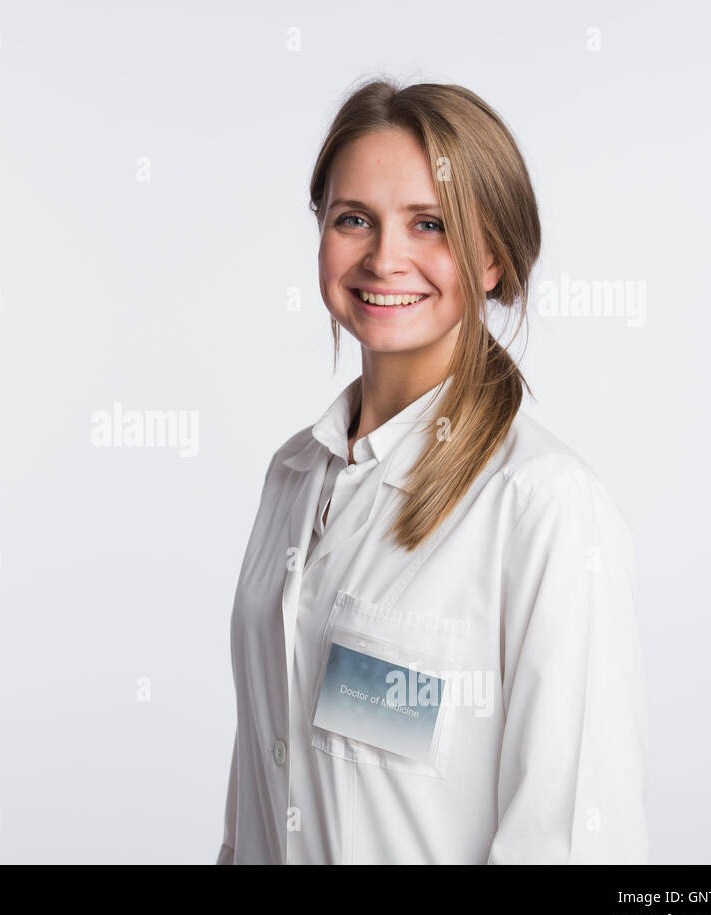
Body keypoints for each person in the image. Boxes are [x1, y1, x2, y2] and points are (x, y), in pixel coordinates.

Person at [216, 78, 651, 864]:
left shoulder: (543, 508)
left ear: (490, 256)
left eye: (430, 224)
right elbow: (263, 787)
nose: (386, 257)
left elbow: (579, 842)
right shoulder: (291, 476)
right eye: (355, 219)